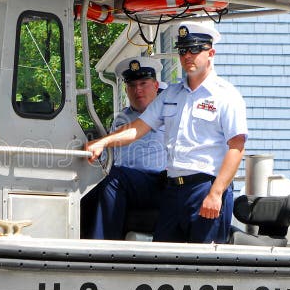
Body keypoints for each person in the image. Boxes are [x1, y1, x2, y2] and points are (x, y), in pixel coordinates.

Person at [85, 22, 247, 244]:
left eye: (194, 49)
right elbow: (138, 128)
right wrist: (103, 142)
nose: (187, 56)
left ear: (211, 53)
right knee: (161, 263)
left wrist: (216, 193)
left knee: (204, 266)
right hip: (173, 191)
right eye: (182, 50)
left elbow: (236, 146)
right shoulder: (171, 94)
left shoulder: (226, 95)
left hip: (205, 188)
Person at [81, 56, 167, 239]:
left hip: (159, 183)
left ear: (156, 85)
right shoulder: (121, 119)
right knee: (86, 190)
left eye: (144, 83)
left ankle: (103, 251)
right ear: (126, 90)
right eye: (132, 85)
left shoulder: (167, 113)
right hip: (127, 182)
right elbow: (109, 159)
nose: (138, 90)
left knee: (115, 179)